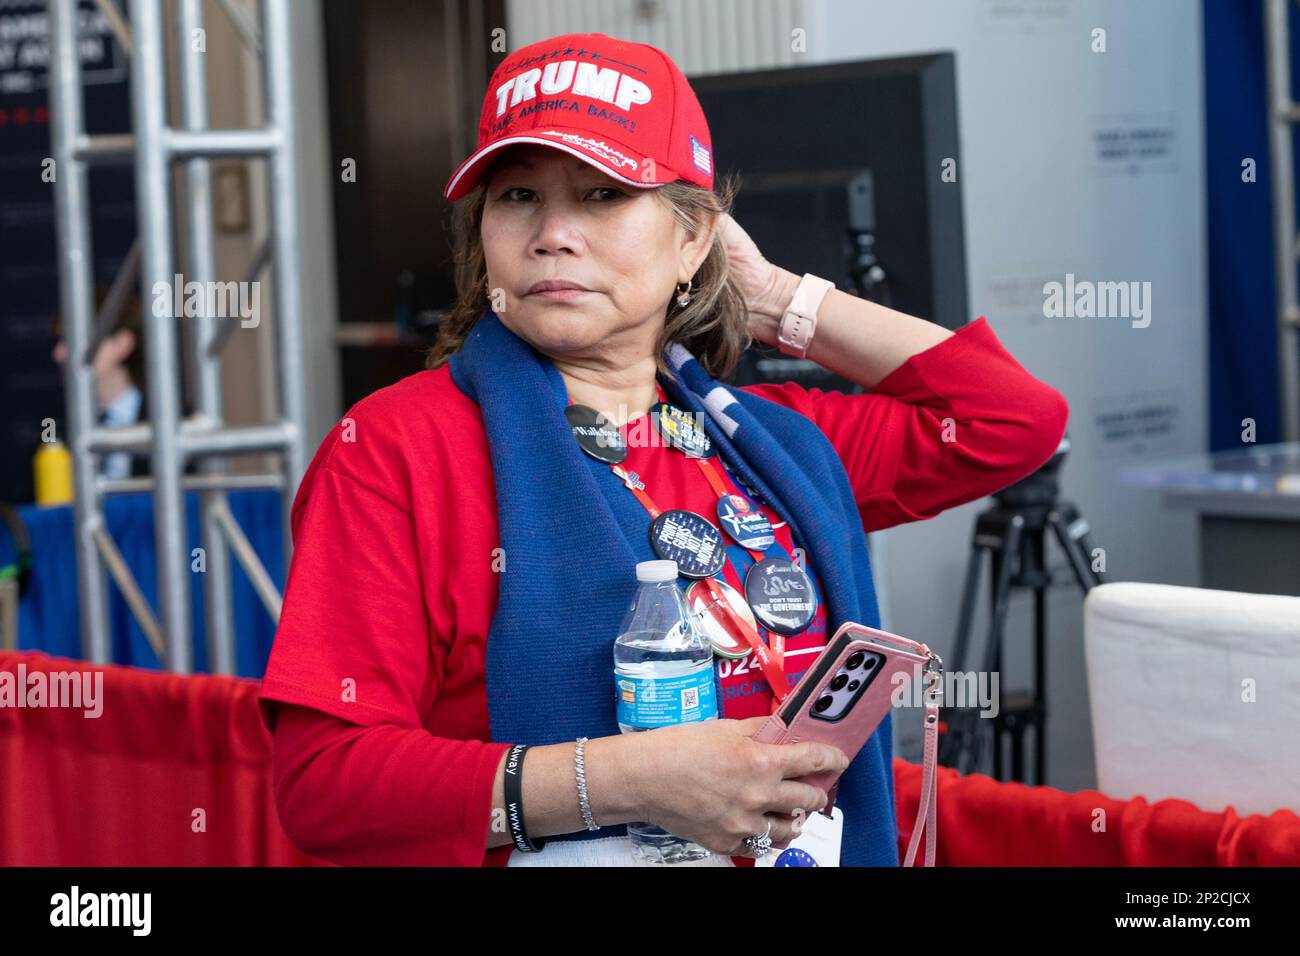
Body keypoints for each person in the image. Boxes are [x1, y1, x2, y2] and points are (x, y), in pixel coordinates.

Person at [258, 32, 1069, 867]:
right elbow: (325, 786)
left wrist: (775, 294)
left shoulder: (770, 442)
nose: (553, 234)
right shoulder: (396, 448)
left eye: (606, 194)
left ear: (695, 239)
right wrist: (624, 781)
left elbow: (1010, 419)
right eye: (518, 196)